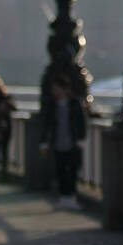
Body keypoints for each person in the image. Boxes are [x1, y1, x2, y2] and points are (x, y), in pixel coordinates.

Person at [39, 77, 86, 209]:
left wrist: (81, 139)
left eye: (57, 88)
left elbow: (81, 122)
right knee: (60, 170)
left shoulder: (74, 103)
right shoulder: (52, 105)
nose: (55, 91)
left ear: (65, 89)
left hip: (72, 142)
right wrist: (44, 143)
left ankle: (71, 197)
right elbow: (46, 125)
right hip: (58, 142)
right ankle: (64, 197)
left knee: (72, 170)